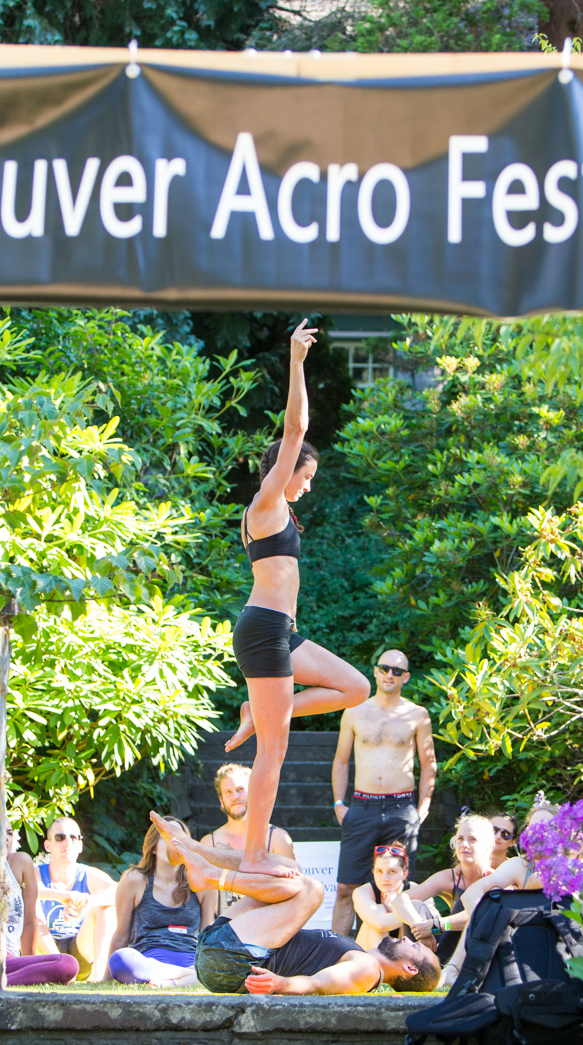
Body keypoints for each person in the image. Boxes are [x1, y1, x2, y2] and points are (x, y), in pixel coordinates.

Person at [226, 318, 370, 878]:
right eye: (303, 477)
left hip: (282, 632)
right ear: (283, 473)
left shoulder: (281, 511)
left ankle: (260, 714)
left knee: (355, 687)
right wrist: (296, 360)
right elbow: (295, 429)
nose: (306, 485)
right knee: (275, 752)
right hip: (263, 629)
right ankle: (254, 852)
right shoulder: (265, 503)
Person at [148, 813, 440, 996]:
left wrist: (282, 985)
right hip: (225, 949)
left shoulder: (366, 969)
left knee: (312, 890)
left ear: (409, 969)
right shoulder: (362, 957)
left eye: (414, 947)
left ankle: (213, 876)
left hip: (234, 958)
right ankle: (198, 852)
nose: (407, 940)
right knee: (288, 867)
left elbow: (320, 983)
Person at [332, 649, 436, 937]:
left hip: (401, 807)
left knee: (401, 889)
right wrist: (339, 803)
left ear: (406, 677)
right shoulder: (354, 711)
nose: (390, 674)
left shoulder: (418, 714)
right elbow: (341, 761)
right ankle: (338, 954)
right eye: (385, 669)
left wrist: (423, 807)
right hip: (362, 806)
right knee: (346, 887)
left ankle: (403, 960)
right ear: (376, 672)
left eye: (397, 671)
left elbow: (429, 765)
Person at [436, 801, 583, 989]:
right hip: (518, 938)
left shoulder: (577, 870)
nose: (540, 832)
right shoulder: (522, 864)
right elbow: (471, 894)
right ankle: (453, 970)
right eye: (534, 827)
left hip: (560, 947)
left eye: (548, 826)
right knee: (489, 904)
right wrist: (486, 917)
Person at [108, 817, 215, 986]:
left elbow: (207, 937)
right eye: (165, 837)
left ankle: (174, 982)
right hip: (146, 963)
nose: (173, 843)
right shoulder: (134, 880)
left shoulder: (201, 882)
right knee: (120, 959)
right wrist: (106, 979)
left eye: (178, 838)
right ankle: (191, 978)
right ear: (153, 848)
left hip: (189, 957)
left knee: (217, 967)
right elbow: (121, 935)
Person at [199, 763, 298, 915]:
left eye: (240, 790)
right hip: (224, 929)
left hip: (267, 928)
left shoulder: (277, 838)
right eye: (228, 792)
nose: (235, 797)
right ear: (221, 800)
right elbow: (204, 900)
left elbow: (295, 891)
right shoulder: (208, 843)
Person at [407, 813, 498, 962]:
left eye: (473, 839)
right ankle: (415, 968)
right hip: (443, 948)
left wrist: (436, 926)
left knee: (466, 900)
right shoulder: (449, 878)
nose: (464, 844)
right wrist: (419, 928)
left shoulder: (497, 880)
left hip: (477, 954)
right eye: (460, 839)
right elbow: (400, 900)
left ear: (487, 846)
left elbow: (481, 915)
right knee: (415, 904)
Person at [37, 816, 118, 981]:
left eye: (73, 837)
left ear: (80, 845)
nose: (67, 842)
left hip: (79, 947)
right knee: (29, 910)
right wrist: (61, 896)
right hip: (46, 950)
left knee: (106, 908)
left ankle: (98, 977)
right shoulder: (36, 873)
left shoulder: (87, 874)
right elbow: (24, 891)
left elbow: (119, 892)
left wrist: (87, 902)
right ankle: (60, 967)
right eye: (60, 838)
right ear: (48, 845)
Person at [1, 826, 79, 987]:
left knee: (67, 964)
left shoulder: (19, 862)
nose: (6, 838)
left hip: (9, 961)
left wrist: (29, 963)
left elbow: (29, 919)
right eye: (0, 830)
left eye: (9, 833)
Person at [352, 842, 438, 952]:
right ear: (373, 872)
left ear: (405, 873)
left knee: (415, 906)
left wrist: (397, 907)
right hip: (369, 953)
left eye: (392, 871)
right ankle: (384, 966)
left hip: (407, 952)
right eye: (379, 871)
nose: (384, 878)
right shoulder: (363, 891)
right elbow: (380, 924)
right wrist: (408, 914)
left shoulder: (418, 890)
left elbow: (434, 922)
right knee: (379, 910)